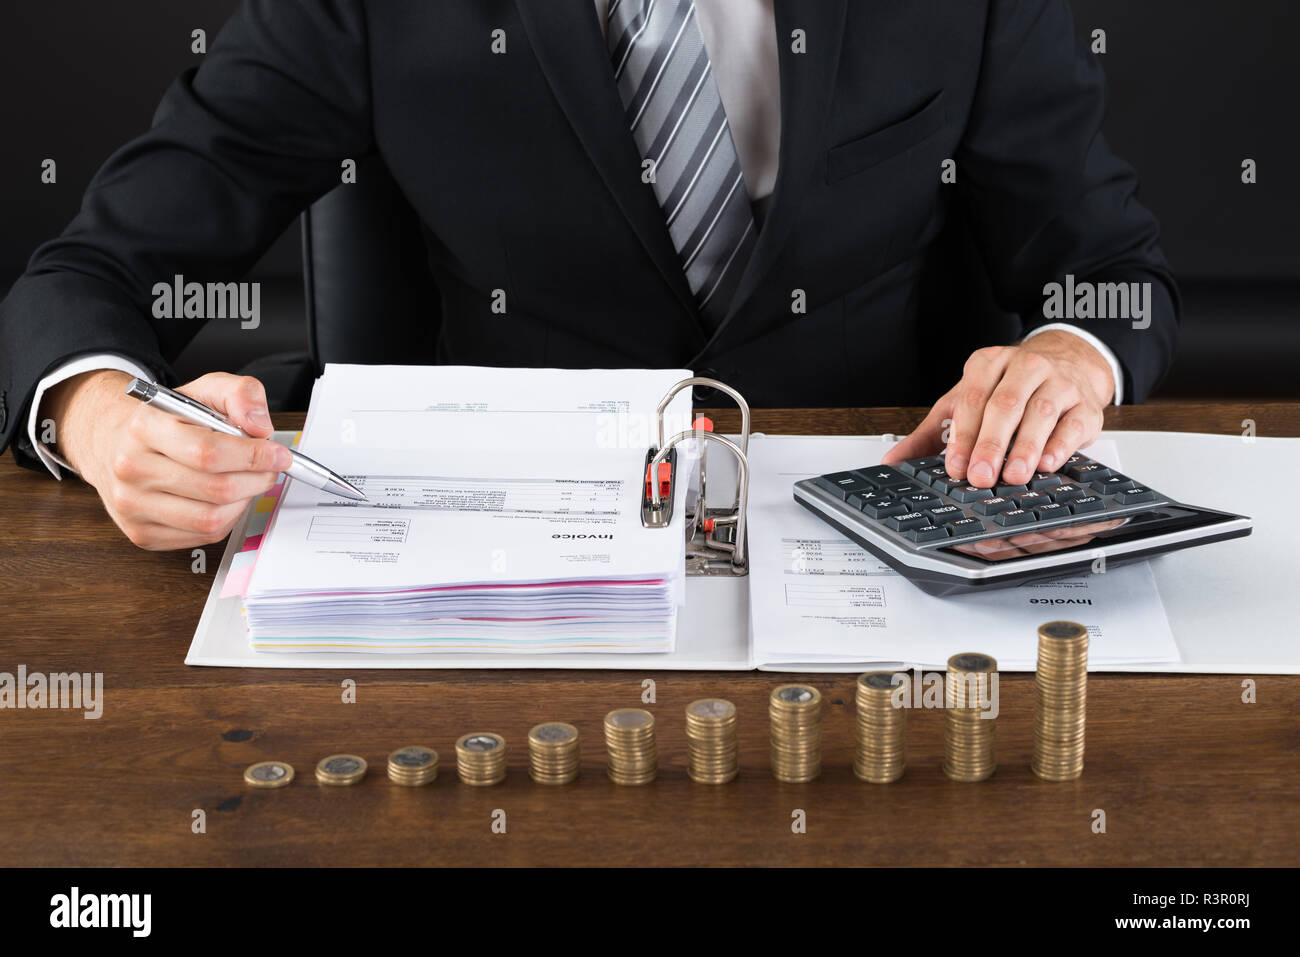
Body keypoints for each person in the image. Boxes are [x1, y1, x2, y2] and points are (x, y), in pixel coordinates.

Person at [0, 0, 1177, 550]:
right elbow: (97, 269)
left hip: (879, 534)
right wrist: (97, 417)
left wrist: (1071, 352)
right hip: (498, 560)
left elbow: (1112, 271)